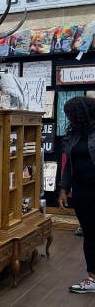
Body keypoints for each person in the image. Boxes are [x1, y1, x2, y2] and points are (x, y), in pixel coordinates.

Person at [59, 96, 95, 293]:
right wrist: (63, 189)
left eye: (71, 115)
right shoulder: (74, 135)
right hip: (82, 192)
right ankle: (93, 278)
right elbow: (68, 167)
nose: (69, 119)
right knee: (89, 234)